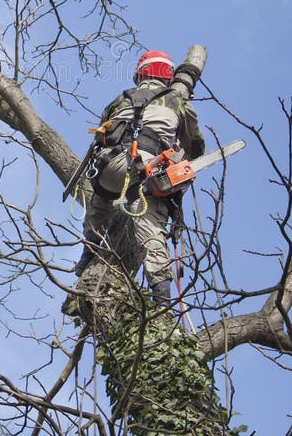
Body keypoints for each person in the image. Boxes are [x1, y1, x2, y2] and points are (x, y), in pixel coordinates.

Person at [75, 50, 205, 307]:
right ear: (167, 77)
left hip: (110, 168)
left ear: (140, 74)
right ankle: (161, 302)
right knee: (152, 232)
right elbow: (196, 146)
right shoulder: (176, 99)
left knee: (98, 208)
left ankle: (87, 251)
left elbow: (100, 135)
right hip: (147, 171)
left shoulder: (120, 98)